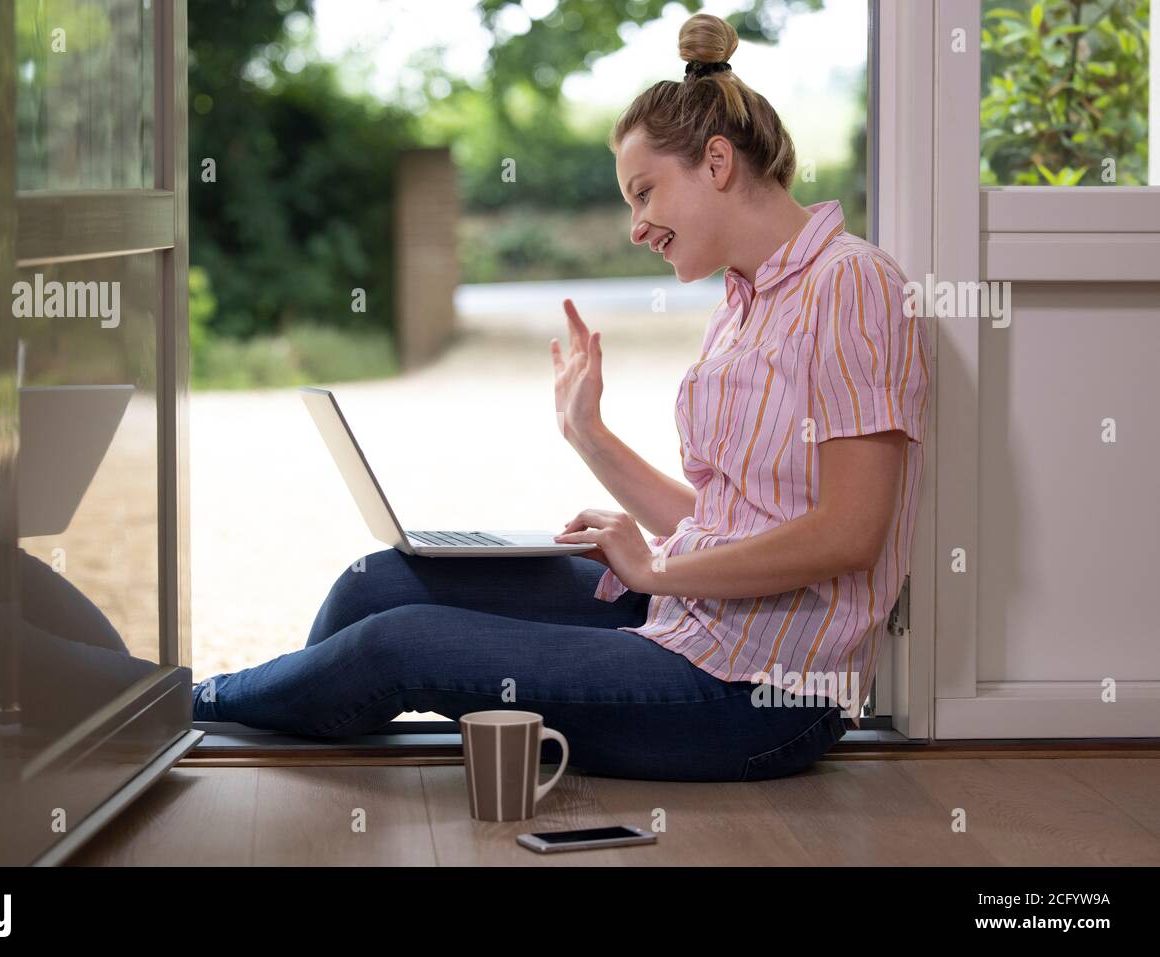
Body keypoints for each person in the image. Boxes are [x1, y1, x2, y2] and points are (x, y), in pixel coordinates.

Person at [192, 12, 930, 782]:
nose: (638, 226)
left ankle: (173, 700)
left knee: (396, 645)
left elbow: (849, 534)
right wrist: (590, 436)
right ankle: (273, 734)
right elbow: (736, 524)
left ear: (717, 161)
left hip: (758, 694)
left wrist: (654, 573)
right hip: (691, 619)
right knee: (381, 581)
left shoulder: (852, 283)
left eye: (644, 194)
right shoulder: (743, 302)